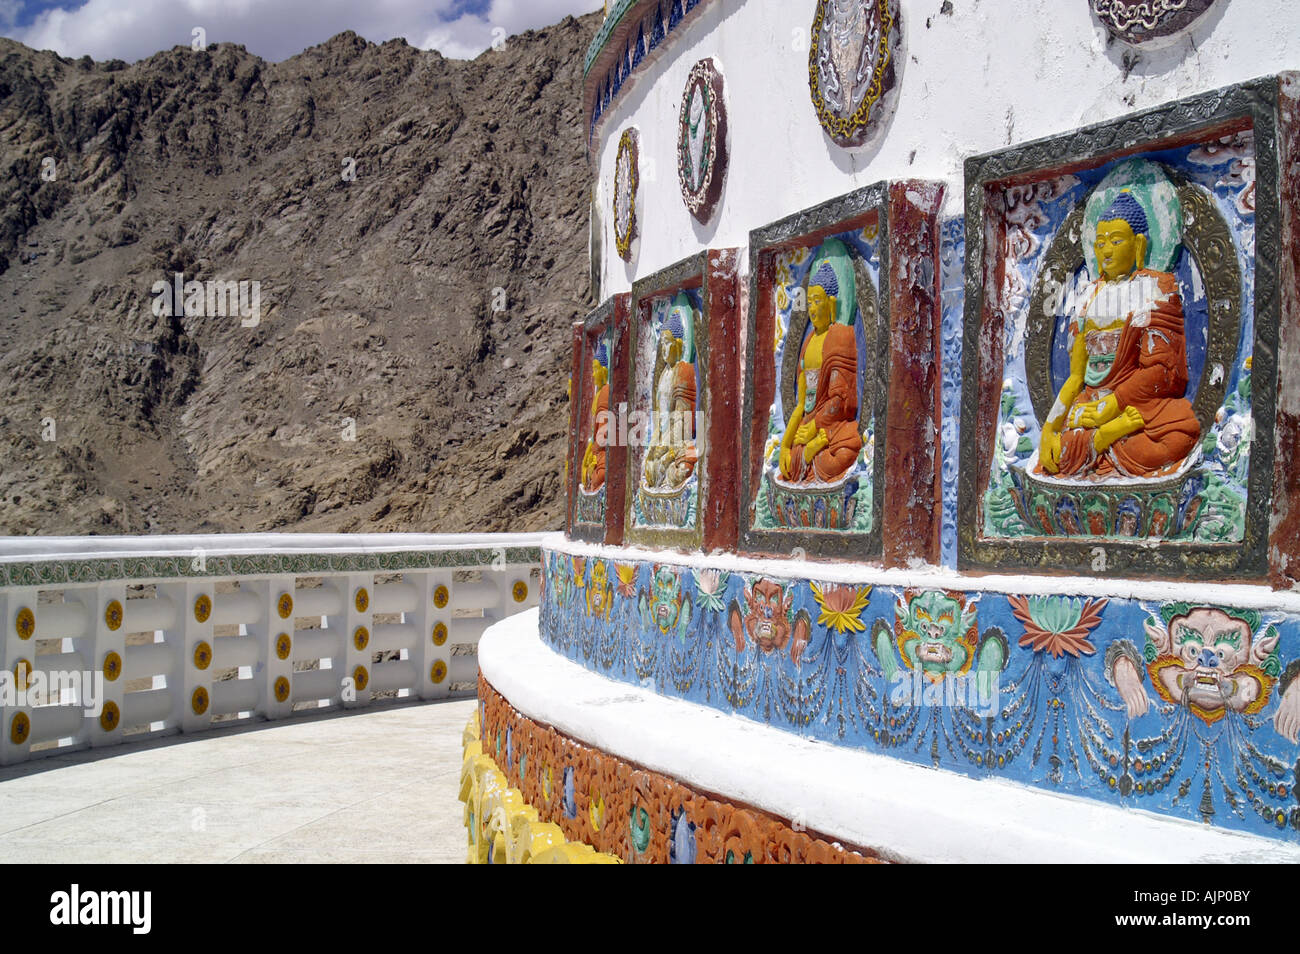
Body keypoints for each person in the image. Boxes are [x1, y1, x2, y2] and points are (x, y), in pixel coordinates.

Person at [1036, 191, 1200, 479]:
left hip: (1138, 404)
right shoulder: (1088, 296)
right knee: (1055, 456)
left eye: (1115, 240)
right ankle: (1104, 438)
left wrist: (1112, 405)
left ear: (1139, 244)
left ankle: (1105, 438)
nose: (1106, 251)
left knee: (1181, 435)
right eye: (1100, 243)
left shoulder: (1155, 289)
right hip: (1092, 402)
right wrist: (1050, 427)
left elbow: (1163, 372)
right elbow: (1077, 376)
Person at [778, 261, 861, 484]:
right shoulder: (807, 343)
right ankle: (807, 453)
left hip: (833, 425)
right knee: (789, 466)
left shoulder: (841, 336)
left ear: (831, 303)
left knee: (847, 450)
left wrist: (816, 427)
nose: (812, 308)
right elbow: (801, 403)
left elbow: (840, 400)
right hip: (810, 420)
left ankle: (812, 452)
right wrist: (785, 445)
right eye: (809, 303)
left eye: (817, 301)